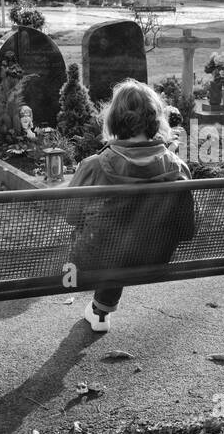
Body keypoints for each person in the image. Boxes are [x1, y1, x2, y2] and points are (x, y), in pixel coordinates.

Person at [68, 79, 194, 333]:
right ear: (155, 120)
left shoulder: (93, 165)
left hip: (97, 260)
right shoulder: (178, 167)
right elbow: (186, 229)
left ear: (114, 118)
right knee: (126, 239)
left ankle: (83, 296)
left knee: (107, 240)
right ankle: (100, 310)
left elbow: (71, 215)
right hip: (155, 257)